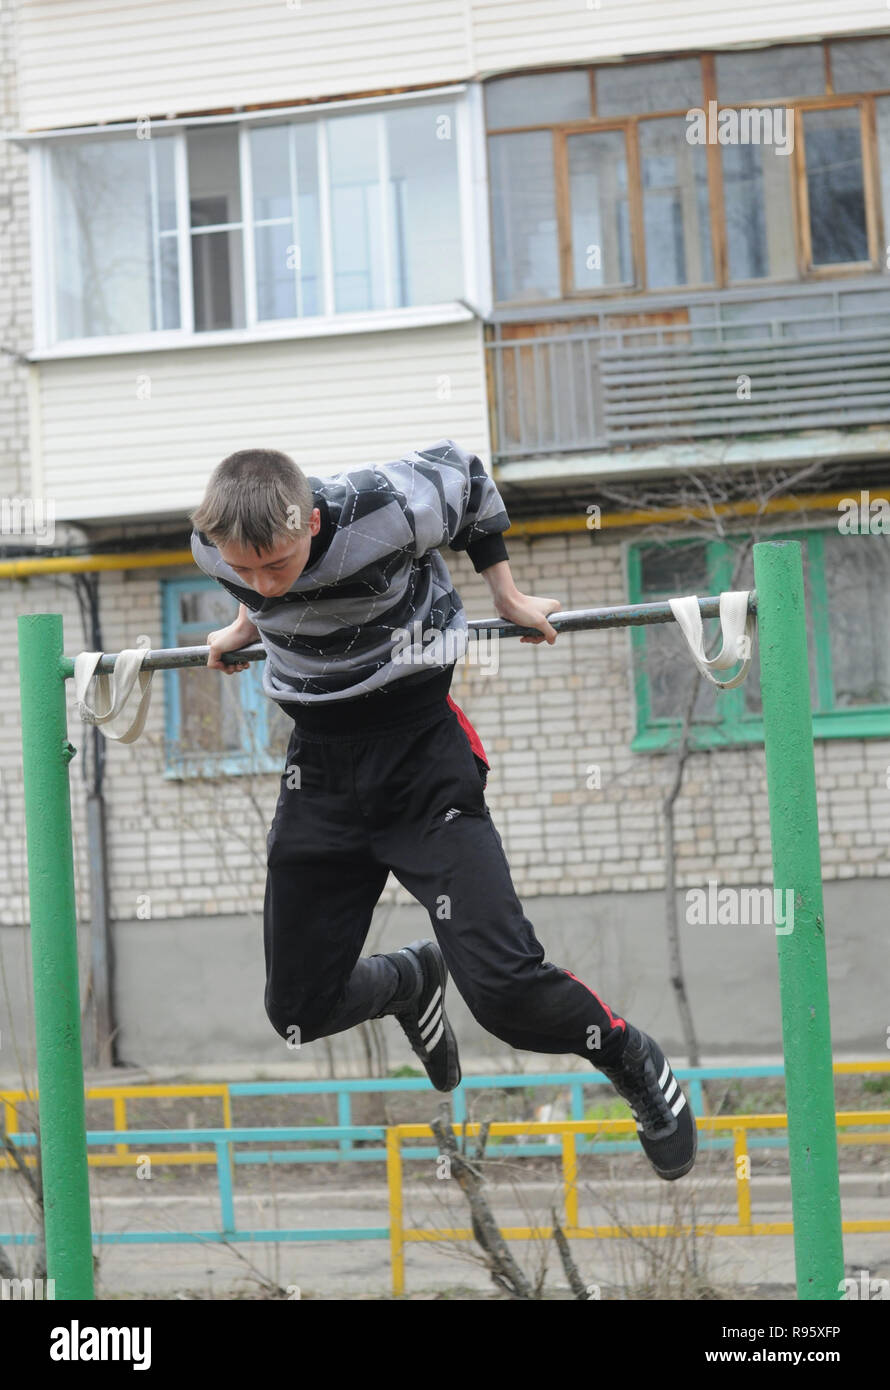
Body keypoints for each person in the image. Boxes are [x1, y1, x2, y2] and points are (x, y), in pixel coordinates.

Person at [189, 439, 697, 1181]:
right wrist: (248, 622)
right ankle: (410, 982)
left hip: (422, 761)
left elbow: (468, 478)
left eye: (278, 564)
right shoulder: (211, 542)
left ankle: (627, 1053)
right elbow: (255, 580)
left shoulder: (380, 507)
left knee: (507, 994)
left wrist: (507, 595)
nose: (261, 581)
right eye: (244, 570)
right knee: (297, 1009)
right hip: (320, 775)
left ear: (312, 524)